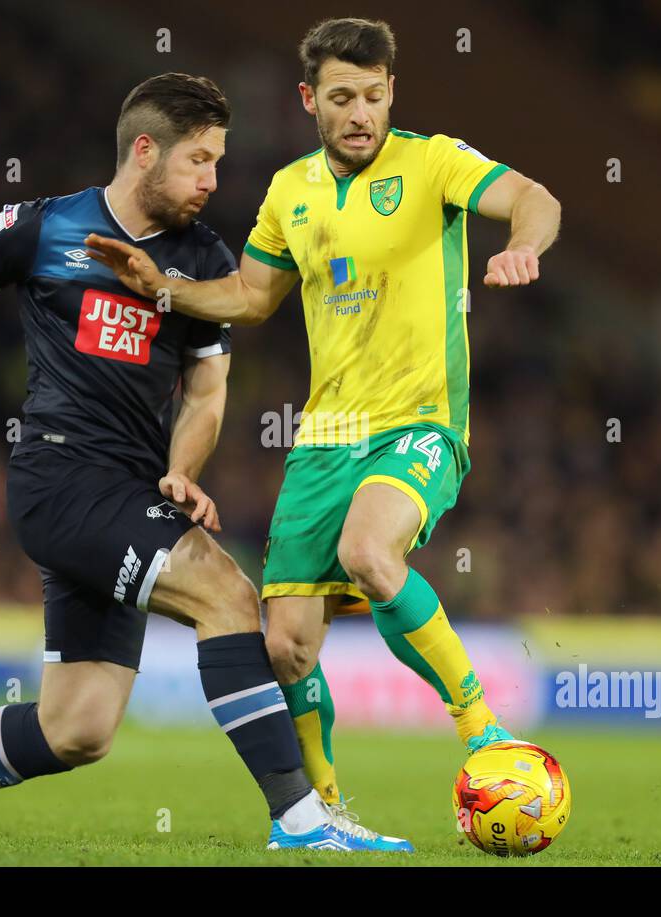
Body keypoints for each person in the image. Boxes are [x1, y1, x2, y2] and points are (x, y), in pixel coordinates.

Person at [0, 72, 408, 852]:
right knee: (226, 594)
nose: (212, 181)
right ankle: (300, 820)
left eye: (218, 162)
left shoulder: (205, 259)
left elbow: (207, 391)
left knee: (76, 727)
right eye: (199, 160)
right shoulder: (42, 227)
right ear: (144, 151)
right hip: (59, 477)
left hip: (127, 492)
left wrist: (184, 469)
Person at [85, 20, 561, 824]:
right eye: (342, 98)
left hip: (420, 422)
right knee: (287, 644)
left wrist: (524, 246)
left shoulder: (432, 160)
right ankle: (326, 813)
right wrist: (161, 284)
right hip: (324, 440)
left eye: (374, 97)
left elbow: (533, 198)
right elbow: (249, 297)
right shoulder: (289, 192)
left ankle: (480, 725)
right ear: (310, 100)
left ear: (390, 94)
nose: (360, 114)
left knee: (369, 552)